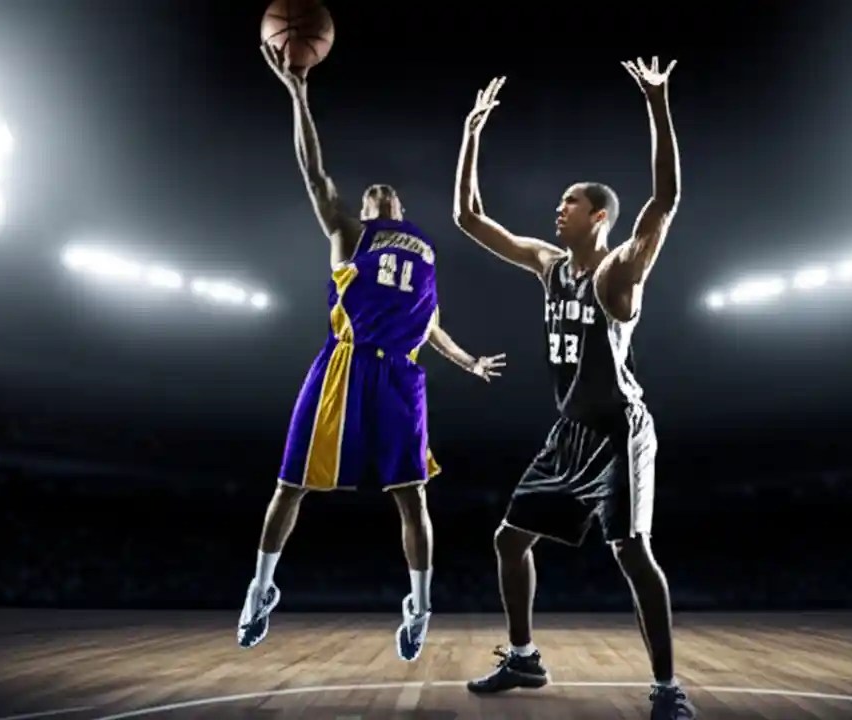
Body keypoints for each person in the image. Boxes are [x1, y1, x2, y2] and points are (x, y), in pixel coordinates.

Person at [237, 40, 507, 663]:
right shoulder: (348, 231)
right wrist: (298, 93)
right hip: (343, 365)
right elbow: (313, 171)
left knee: (412, 496)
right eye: (368, 195)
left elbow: (430, 322)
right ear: (361, 211)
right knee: (290, 485)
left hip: (401, 376)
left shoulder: (426, 249)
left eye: (386, 195)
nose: (377, 194)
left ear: (402, 209)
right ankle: (260, 589)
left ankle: (420, 606)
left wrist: (465, 360)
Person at [452, 60, 696, 718]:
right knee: (509, 540)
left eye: (568, 202)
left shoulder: (619, 271)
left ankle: (669, 690)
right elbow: (468, 218)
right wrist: (472, 133)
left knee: (632, 552)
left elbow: (665, 203)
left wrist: (657, 103)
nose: (556, 210)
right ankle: (525, 658)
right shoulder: (547, 264)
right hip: (570, 432)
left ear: (598, 216)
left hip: (619, 430)